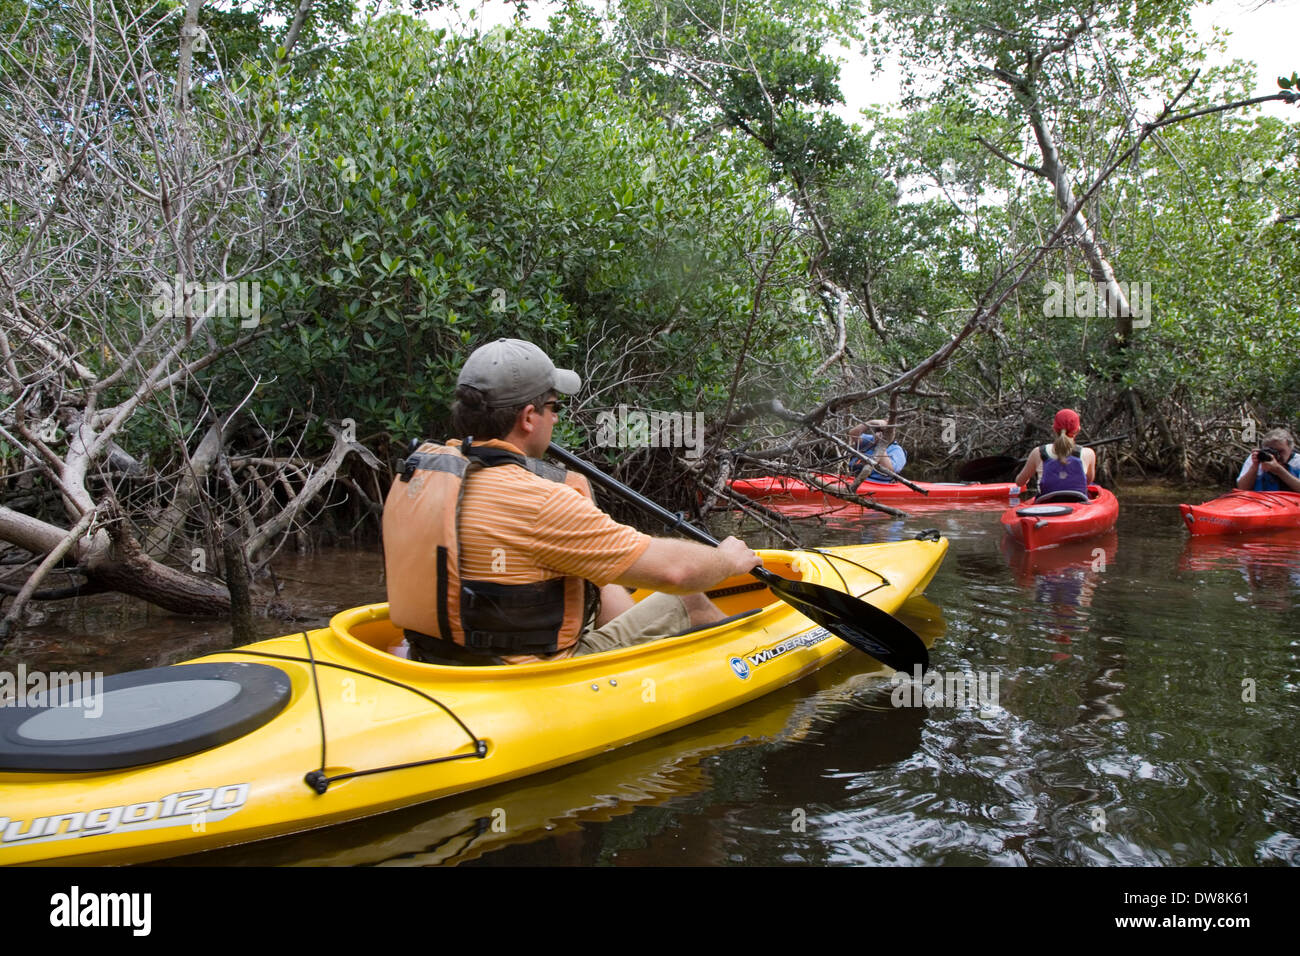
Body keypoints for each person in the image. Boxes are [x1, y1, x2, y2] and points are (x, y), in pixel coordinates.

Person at [382, 338, 761, 665]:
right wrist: (726, 559)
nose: (557, 420)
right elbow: (675, 573)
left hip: (436, 657)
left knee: (587, 574)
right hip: (527, 673)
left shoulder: (420, 478)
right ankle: (746, 663)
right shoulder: (540, 501)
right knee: (688, 599)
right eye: (554, 407)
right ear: (529, 417)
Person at [1014, 409, 1096, 497]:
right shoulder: (1088, 453)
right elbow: (1088, 481)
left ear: (1054, 428)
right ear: (1078, 429)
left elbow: (1019, 483)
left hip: (1045, 504)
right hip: (1078, 503)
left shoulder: (1038, 452)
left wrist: (1026, 479)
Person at [1235, 428, 1300, 492]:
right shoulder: (1258, 457)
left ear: (1290, 448)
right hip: (1260, 499)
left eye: (1280, 451)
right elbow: (1242, 488)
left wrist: (1279, 470)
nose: (1277, 455)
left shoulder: (1297, 461)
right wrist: (1254, 467)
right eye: (1273, 451)